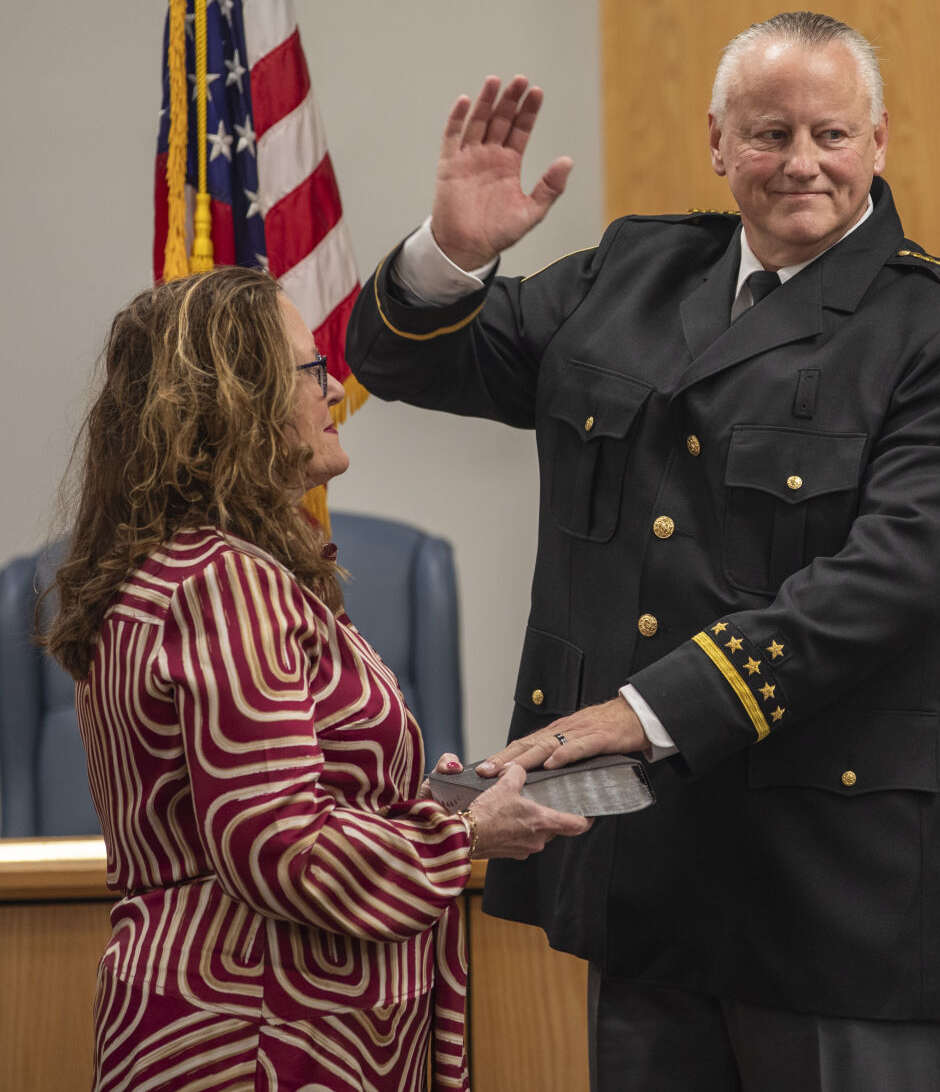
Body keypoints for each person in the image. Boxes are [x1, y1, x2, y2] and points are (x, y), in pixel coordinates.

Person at [345, 11, 940, 1090]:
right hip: (648, 873)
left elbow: (892, 577)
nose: (802, 162)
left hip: (840, 891)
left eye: (832, 134)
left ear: (880, 141)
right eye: (768, 134)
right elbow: (403, 361)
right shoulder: (633, 271)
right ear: (717, 143)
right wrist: (456, 257)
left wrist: (648, 710)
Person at [45, 266, 589, 1091]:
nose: (334, 387)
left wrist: (414, 805)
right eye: (308, 368)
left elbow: (272, 808)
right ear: (236, 397)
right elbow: (282, 847)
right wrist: (468, 834)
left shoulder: (170, 569)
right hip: (262, 1029)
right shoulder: (223, 582)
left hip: (227, 1009)